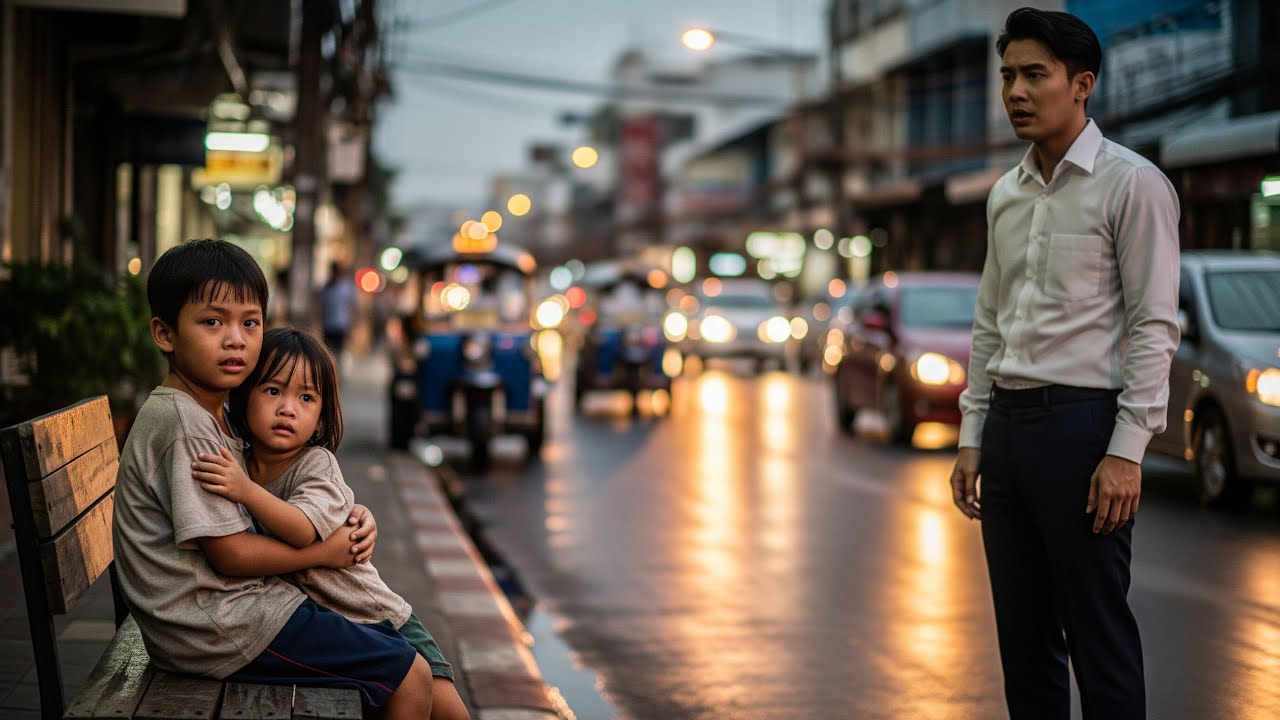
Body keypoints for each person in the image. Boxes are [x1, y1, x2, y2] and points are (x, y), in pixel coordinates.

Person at [949, 8, 1179, 720]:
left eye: (1034, 75)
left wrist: (1126, 452)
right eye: (1007, 76)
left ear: (1082, 84)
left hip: (1083, 430)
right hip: (1010, 433)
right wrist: (972, 434)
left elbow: (1153, 325)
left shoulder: (1131, 185)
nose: (1015, 91)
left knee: (1098, 637)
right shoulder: (1004, 195)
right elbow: (991, 321)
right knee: (1024, 645)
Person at [112, 238, 438, 718]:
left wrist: (348, 514)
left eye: (250, 323)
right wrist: (327, 550)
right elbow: (230, 553)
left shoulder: (211, 415)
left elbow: (275, 498)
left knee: (391, 648)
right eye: (212, 322)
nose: (235, 339)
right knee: (410, 676)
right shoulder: (187, 425)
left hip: (219, 615)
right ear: (165, 334)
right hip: (217, 627)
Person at [192, 327, 469, 719]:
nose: (288, 408)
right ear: (243, 396)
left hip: (378, 617)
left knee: (451, 714)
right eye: (272, 391)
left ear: (322, 417)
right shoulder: (237, 462)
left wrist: (246, 491)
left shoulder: (316, 465)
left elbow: (303, 528)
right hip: (326, 626)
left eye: (306, 398)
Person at [321, 261, 357, 360]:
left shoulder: (346, 288)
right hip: (328, 325)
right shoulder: (327, 287)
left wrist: (351, 326)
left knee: (338, 351)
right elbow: (322, 307)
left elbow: (351, 308)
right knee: (327, 351)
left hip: (341, 325)